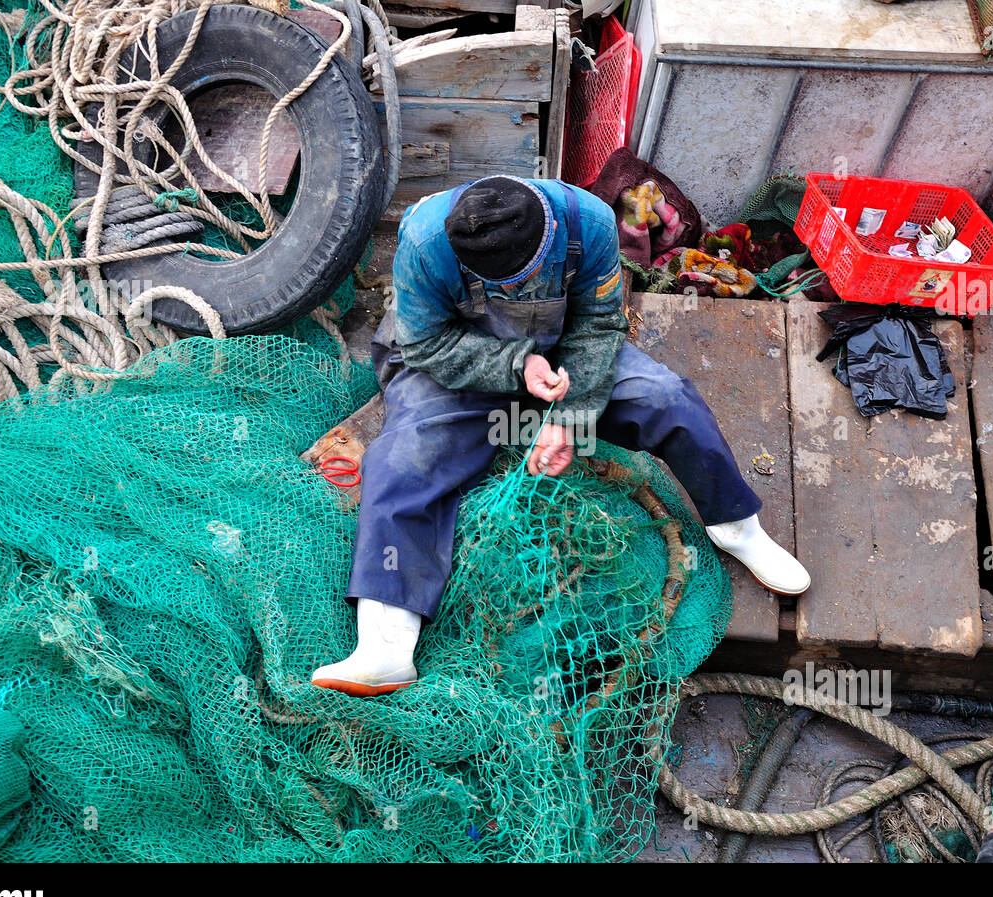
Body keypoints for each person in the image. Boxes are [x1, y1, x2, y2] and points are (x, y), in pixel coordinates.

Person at [311, 176, 809, 696]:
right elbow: (424, 344)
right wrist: (515, 366)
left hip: (565, 354)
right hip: (456, 362)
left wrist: (569, 416)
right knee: (398, 460)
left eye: (520, 282)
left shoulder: (589, 221)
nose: (508, 296)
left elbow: (598, 325)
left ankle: (735, 526)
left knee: (666, 398)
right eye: (492, 286)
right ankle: (387, 642)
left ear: (550, 234)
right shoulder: (424, 240)